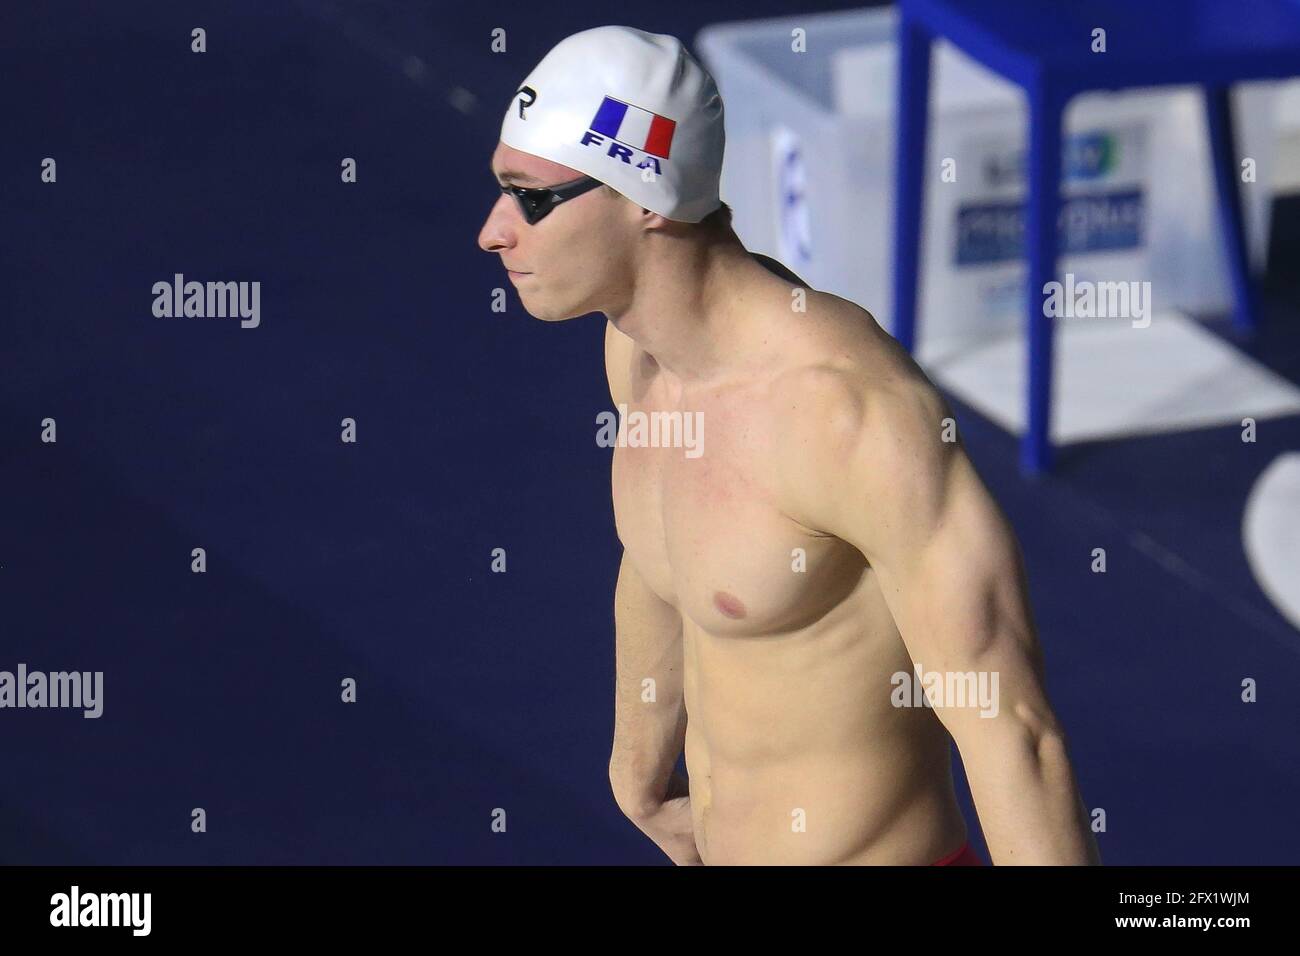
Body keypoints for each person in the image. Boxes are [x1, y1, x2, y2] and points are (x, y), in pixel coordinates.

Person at [478, 24, 1100, 866]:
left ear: (645, 198)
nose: (494, 231)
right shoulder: (637, 351)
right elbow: (661, 561)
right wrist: (638, 768)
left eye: (533, 198)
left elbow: (1012, 733)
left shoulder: (847, 416)